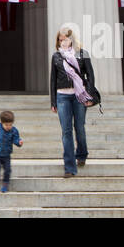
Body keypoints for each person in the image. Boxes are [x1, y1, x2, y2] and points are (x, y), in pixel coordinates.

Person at [50, 25, 94, 178]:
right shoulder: (56, 56)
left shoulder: (83, 54)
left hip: (79, 96)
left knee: (79, 127)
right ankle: (69, 167)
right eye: (60, 40)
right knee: (66, 131)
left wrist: (91, 96)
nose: (63, 42)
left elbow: (90, 75)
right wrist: (53, 101)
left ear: (72, 40)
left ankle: (81, 153)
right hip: (62, 96)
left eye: (66, 39)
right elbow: (53, 80)